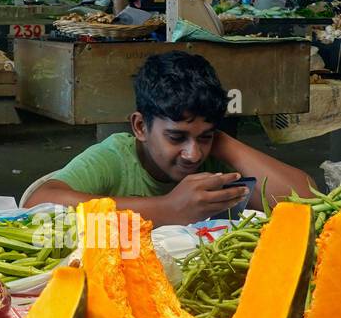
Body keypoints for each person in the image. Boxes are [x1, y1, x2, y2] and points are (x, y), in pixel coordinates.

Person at [24, 52, 317, 226]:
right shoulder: (116, 158)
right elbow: (39, 203)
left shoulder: (214, 158)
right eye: (176, 137)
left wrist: (223, 142)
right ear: (140, 126)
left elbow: (306, 200)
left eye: (205, 137)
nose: (192, 154)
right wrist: (168, 208)